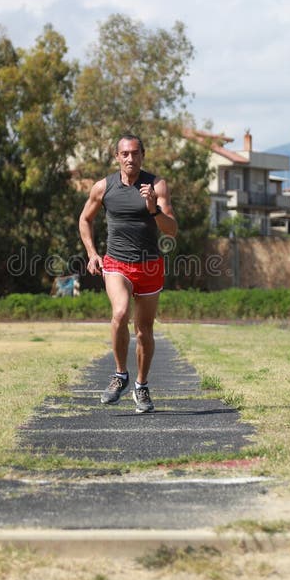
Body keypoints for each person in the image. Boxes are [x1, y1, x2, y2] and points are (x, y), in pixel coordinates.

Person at [79, 133, 178, 412]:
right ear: (117, 156)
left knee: (144, 330)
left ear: (142, 155)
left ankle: (141, 386)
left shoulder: (157, 185)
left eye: (135, 153)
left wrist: (153, 209)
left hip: (149, 265)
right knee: (120, 313)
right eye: (125, 154)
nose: (130, 158)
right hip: (116, 263)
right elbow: (85, 219)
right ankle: (120, 374)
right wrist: (92, 253)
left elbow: (172, 229)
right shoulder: (103, 187)